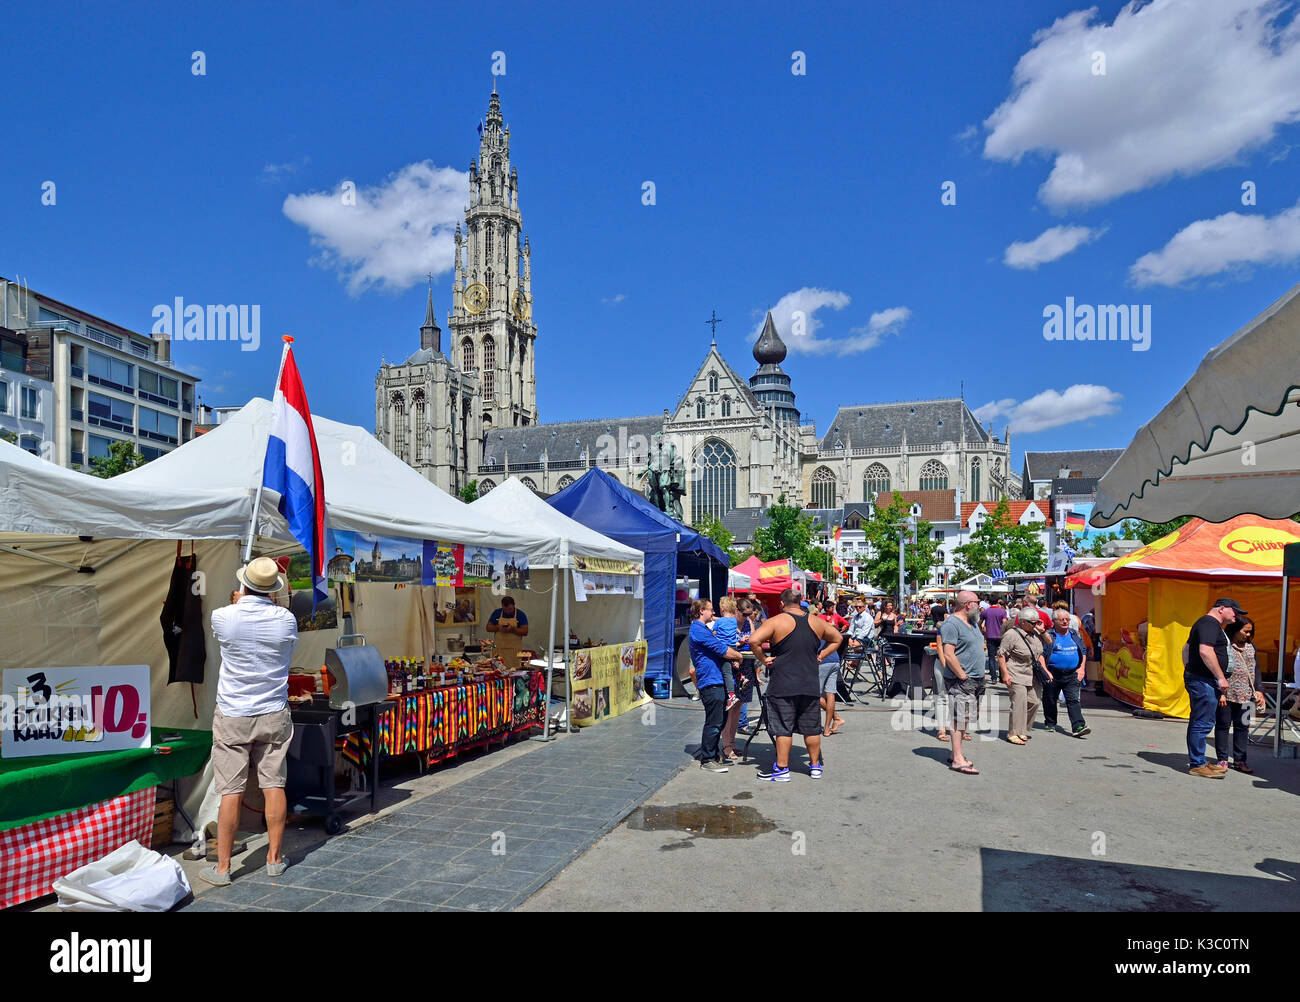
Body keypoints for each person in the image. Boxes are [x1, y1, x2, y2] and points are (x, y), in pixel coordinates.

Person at [201, 557, 298, 886]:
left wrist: (238, 603)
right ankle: (273, 858)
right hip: (273, 711)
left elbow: (230, 627)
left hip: (233, 712)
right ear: (273, 589)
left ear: (244, 585)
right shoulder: (286, 620)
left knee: (230, 791)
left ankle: (223, 868)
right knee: (274, 784)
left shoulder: (223, 617)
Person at [746, 588, 841, 781]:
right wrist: (821, 655)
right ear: (801, 602)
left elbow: (753, 640)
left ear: (782, 603)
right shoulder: (816, 621)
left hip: (783, 683)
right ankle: (815, 767)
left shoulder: (776, 621)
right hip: (809, 682)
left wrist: (763, 659)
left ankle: (782, 769)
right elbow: (837, 638)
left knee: (783, 727)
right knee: (812, 727)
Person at [1184, 598, 1245, 777]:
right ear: (1221, 608)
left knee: (1201, 720)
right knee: (1202, 722)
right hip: (1203, 680)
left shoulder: (1209, 624)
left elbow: (1186, 649)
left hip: (1201, 679)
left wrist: (1190, 670)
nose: (1237, 615)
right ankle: (1197, 763)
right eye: (1234, 611)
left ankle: (1199, 759)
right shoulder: (1209, 623)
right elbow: (1204, 650)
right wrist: (1219, 677)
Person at [687, 599, 744, 772]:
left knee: (720, 720)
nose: (713, 613)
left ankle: (713, 755)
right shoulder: (698, 630)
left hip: (716, 679)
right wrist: (738, 657)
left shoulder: (704, 629)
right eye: (710, 610)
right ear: (701, 611)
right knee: (714, 721)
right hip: (710, 680)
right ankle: (707, 759)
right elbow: (721, 649)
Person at [938, 591, 987, 774]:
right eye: (977, 602)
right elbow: (948, 654)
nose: (979, 606)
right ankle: (958, 759)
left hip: (977, 678)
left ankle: (955, 753)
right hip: (962, 680)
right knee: (958, 718)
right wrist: (962, 676)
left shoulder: (973, 622)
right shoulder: (951, 624)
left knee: (966, 717)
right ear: (967, 604)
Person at [1219, 617, 1264, 774]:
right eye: (1245, 631)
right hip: (1227, 695)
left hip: (1248, 696)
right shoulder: (1224, 645)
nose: (1248, 634)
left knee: (1243, 728)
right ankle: (1222, 759)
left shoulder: (1252, 646)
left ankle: (1240, 760)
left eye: (1250, 631)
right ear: (1234, 629)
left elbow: (1256, 669)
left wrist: (1259, 690)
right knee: (1223, 726)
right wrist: (1220, 693)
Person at [998, 608, 1047, 744]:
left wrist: (1042, 630)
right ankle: (1013, 732)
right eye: (1032, 622)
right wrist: (1005, 674)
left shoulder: (1035, 633)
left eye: (1037, 622)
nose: (1035, 625)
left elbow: (1048, 644)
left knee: (1035, 702)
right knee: (1019, 703)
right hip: (1016, 672)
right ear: (1023, 622)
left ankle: (1022, 729)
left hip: (1032, 674)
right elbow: (1001, 654)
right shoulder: (1011, 634)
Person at [1041, 608, 1090, 737]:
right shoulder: (1050, 636)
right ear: (1054, 621)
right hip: (1053, 673)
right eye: (1061, 619)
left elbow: (1083, 651)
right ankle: (1050, 722)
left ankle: (1078, 726)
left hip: (1072, 673)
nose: (1065, 622)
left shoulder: (1074, 634)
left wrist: (1081, 668)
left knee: (1073, 700)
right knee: (1050, 699)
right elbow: (1040, 654)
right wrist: (1046, 671)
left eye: (1067, 619)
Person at [817, 599, 849, 736]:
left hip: (822, 661)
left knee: (815, 695)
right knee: (830, 694)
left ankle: (835, 718)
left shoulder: (817, 624)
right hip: (834, 658)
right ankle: (827, 728)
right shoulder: (826, 623)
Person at [714, 596, 742, 712]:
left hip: (724, 649)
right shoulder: (734, 621)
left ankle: (731, 696)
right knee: (734, 665)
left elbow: (714, 632)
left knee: (726, 673)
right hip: (733, 647)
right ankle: (741, 676)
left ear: (722, 608)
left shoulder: (719, 621)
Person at [486, 595, 529, 664]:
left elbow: (525, 632)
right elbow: (488, 628)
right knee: (497, 672)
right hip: (498, 650)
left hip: (514, 652)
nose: (507, 612)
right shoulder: (497, 613)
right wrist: (498, 627)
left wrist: (512, 629)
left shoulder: (520, 614)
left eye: (510, 609)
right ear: (502, 606)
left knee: (514, 671)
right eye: (505, 609)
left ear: (514, 605)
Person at [980, 596, 1008, 680]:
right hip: (1001, 636)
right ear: (998, 602)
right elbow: (1004, 623)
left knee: (991, 657)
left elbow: (979, 623)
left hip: (990, 636)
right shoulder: (1002, 612)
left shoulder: (985, 612)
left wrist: (982, 631)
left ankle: (993, 677)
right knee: (1002, 656)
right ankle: (1002, 676)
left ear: (989, 602)